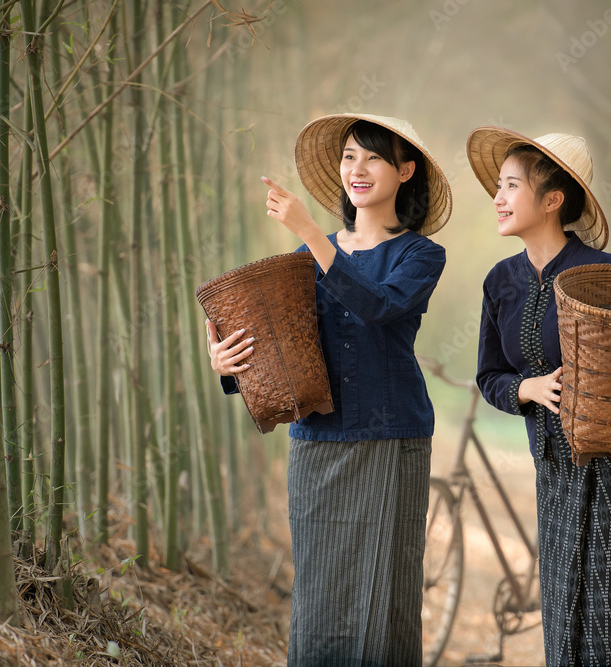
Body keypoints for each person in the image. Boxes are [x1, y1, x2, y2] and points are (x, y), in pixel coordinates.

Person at [207, 113, 453, 666]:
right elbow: (280, 354)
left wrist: (312, 234)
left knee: (384, 593)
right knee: (319, 600)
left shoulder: (419, 255)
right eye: (348, 157)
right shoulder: (304, 259)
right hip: (317, 444)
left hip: (390, 441)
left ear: (405, 171)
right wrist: (228, 366)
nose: (356, 169)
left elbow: (379, 307)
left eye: (372, 157)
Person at [468, 127, 611, 666]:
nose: (498, 199)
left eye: (510, 187)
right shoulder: (500, 281)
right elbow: (490, 376)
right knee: (563, 607)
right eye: (497, 187)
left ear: (552, 201)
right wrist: (525, 387)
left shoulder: (605, 273)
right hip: (551, 466)